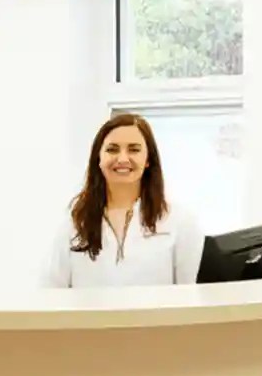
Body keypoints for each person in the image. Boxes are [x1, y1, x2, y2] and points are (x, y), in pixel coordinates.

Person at [45, 113, 202, 288]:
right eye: (112, 149)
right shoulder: (74, 225)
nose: (122, 159)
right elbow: (51, 297)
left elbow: (192, 299)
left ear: (148, 159)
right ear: (99, 158)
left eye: (134, 149)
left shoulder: (179, 222)